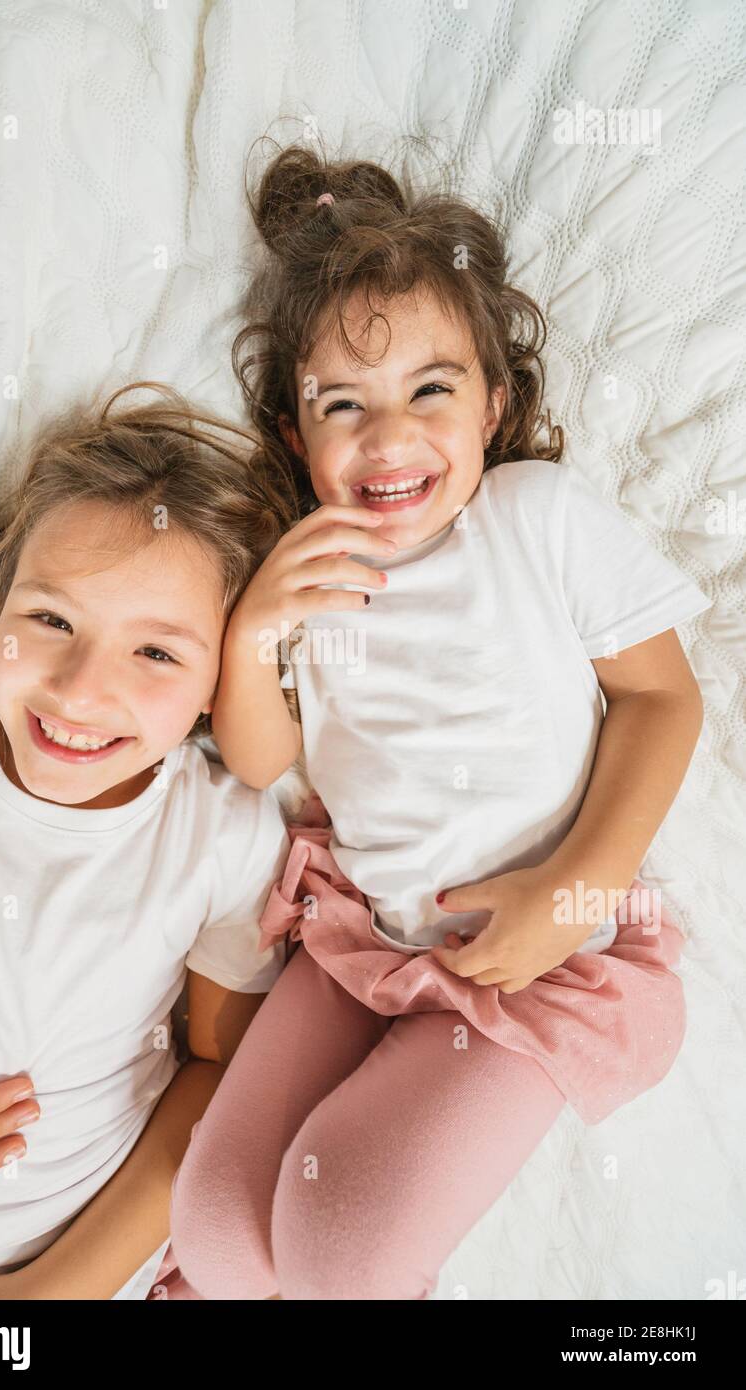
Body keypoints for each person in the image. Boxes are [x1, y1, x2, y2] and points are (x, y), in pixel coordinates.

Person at [159, 143, 712, 1300]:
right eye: (342, 405)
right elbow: (261, 756)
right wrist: (258, 623)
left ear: (495, 404)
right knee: (213, 1235)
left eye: (430, 390)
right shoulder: (310, 570)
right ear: (297, 434)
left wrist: (575, 894)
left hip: (531, 957)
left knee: (336, 1242)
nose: (387, 435)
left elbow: (662, 699)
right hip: (362, 932)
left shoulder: (535, 519)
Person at [0, 382, 295, 1298]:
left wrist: (43, 1297)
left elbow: (220, 1077)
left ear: (217, 686)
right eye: (53, 620)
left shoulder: (218, 834)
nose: (77, 689)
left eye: (156, 653)